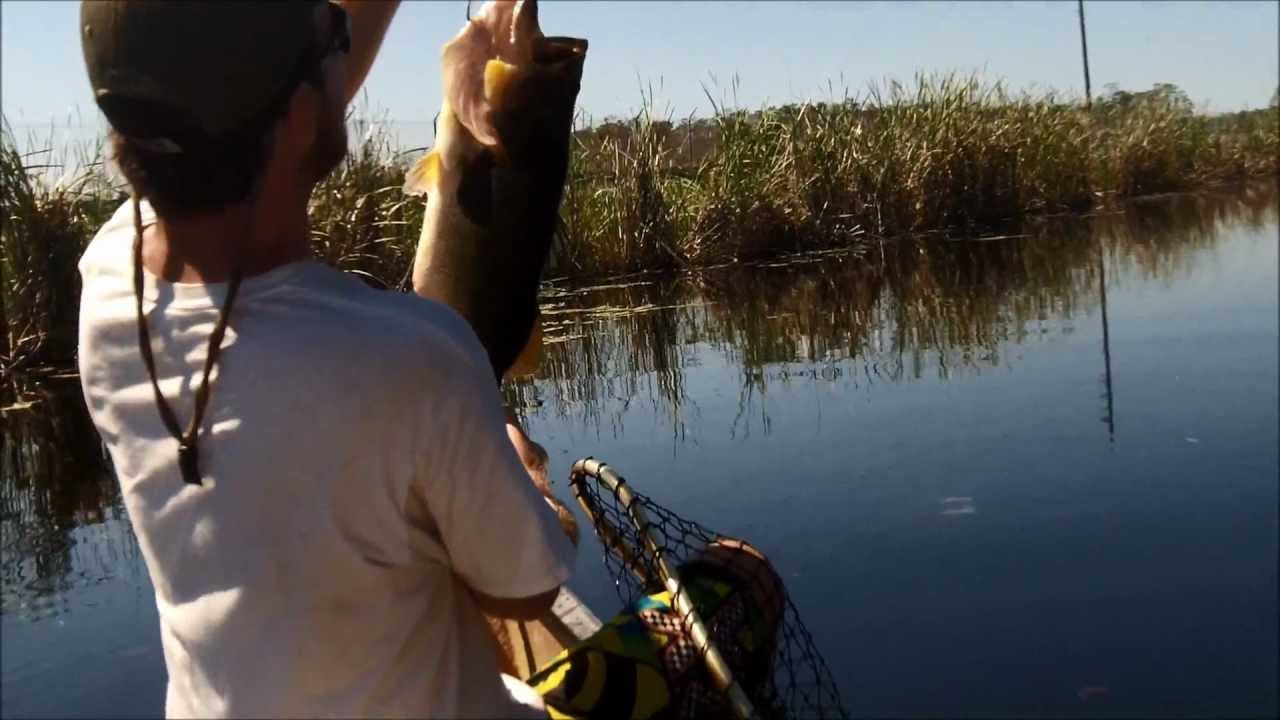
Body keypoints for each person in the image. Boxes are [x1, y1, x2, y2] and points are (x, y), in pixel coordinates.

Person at [75, 2, 575, 717]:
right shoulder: (411, 362)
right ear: (300, 116)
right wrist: (521, 471)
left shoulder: (110, 285)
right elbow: (524, 591)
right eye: (331, 37)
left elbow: (263, 98)